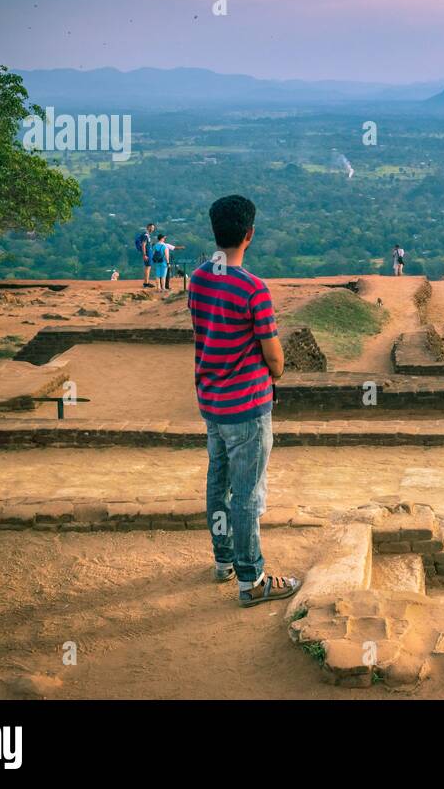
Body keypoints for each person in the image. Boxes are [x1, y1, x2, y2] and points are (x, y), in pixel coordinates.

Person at [187, 195, 298, 608]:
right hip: (247, 406)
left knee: (219, 483)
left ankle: (224, 560)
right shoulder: (252, 289)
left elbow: (205, 330)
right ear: (249, 235)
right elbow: (274, 355)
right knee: (248, 493)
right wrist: (277, 374)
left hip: (212, 402)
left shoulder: (198, 278)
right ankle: (251, 579)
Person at [134, 222, 156, 287]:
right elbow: (143, 245)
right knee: (148, 267)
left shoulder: (147, 235)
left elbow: (146, 245)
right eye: (152, 228)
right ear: (148, 227)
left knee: (148, 267)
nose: (152, 229)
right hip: (147, 253)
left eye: (153, 228)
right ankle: (146, 283)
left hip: (148, 253)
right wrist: (144, 255)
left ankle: (146, 282)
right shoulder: (146, 235)